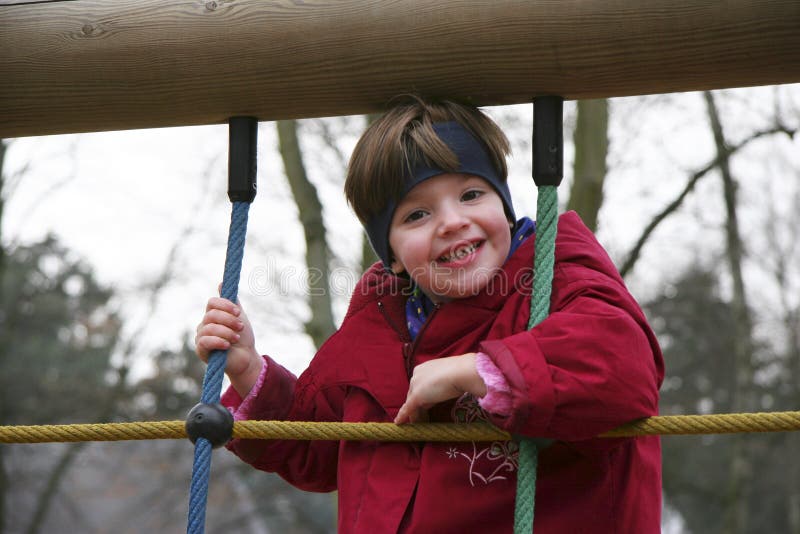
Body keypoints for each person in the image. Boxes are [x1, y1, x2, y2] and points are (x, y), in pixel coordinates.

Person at [195, 95, 664, 533]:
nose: (452, 221)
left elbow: (622, 367)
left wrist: (478, 372)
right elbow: (321, 448)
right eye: (416, 215)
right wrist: (249, 372)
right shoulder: (379, 322)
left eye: (471, 194)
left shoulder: (554, 274)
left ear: (504, 204)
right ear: (393, 256)